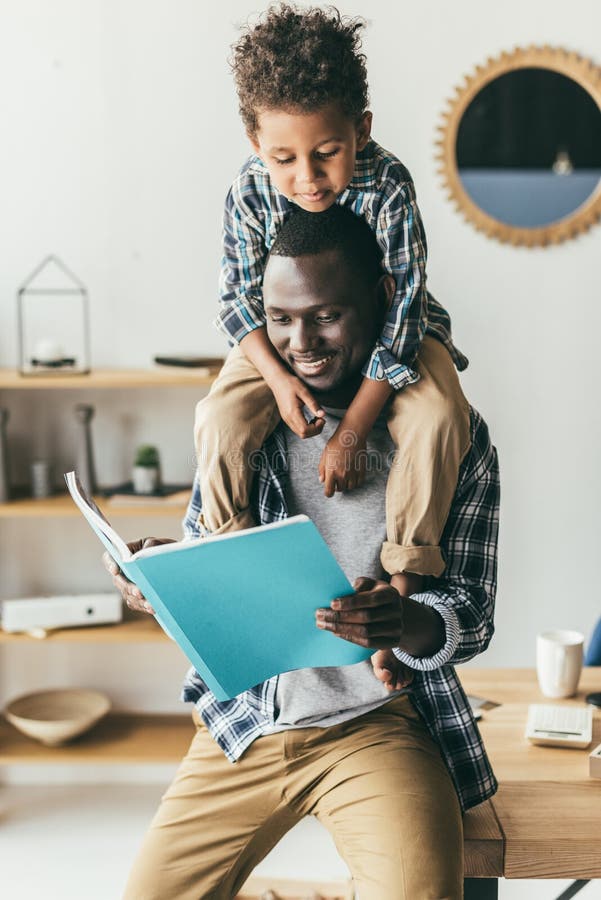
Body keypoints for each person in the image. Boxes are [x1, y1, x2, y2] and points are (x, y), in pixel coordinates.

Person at [106, 205, 500, 899]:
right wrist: (159, 580)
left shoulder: (447, 436)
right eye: (281, 319)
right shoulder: (241, 429)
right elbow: (218, 595)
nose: (301, 342)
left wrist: (403, 621)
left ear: (382, 298)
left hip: (377, 727)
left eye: (326, 317)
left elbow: (471, 613)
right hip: (247, 720)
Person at [194, 3, 471, 602]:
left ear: (360, 131)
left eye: (326, 152)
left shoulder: (388, 184)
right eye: (283, 159)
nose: (308, 178)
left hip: (397, 330)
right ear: (256, 144)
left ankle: (403, 581)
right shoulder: (248, 191)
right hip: (275, 341)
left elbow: (404, 311)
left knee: (439, 417)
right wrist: (277, 381)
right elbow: (237, 301)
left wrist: (354, 432)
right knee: (218, 419)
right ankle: (227, 554)